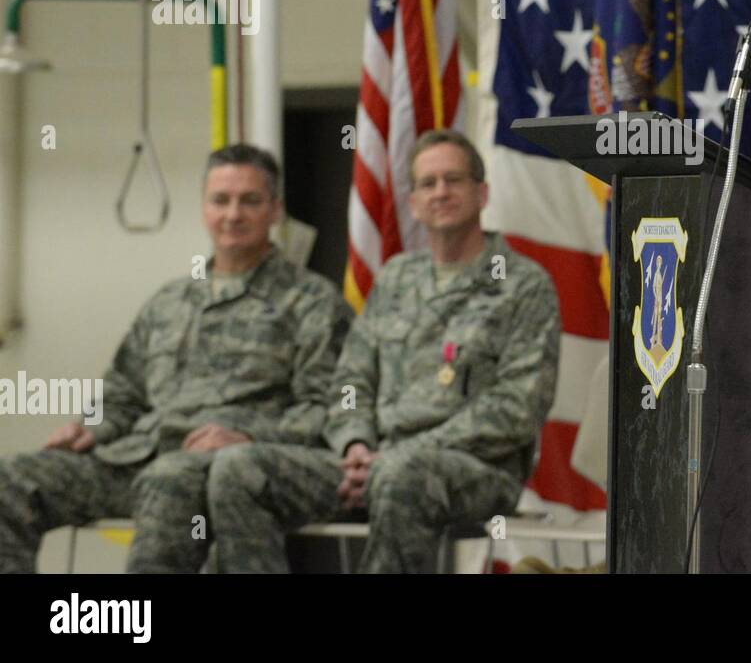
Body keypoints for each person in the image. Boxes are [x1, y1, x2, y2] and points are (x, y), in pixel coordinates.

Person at [209, 129, 561, 573]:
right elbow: (350, 382)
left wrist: (400, 454)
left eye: (453, 180)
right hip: (373, 461)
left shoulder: (523, 284)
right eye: (427, 184)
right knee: (239, 469)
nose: (440, 192)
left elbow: (516, 408)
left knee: (403, 475)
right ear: (412, 203)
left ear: (482, 193)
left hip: (477, 469)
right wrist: (355, 442)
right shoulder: (395, 278)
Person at [0, 144, 352, 573]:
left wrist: (248, 436)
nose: (233, 214)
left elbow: (327, 409)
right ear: (204, 208)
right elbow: (122, 391)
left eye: (250, 201)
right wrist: (89, 429)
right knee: (11, 478)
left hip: (211, 471)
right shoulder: (170, 302)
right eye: (220, 200)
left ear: (275, 210)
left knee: (169, 480)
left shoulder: (312, 302)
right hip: (134, 459)